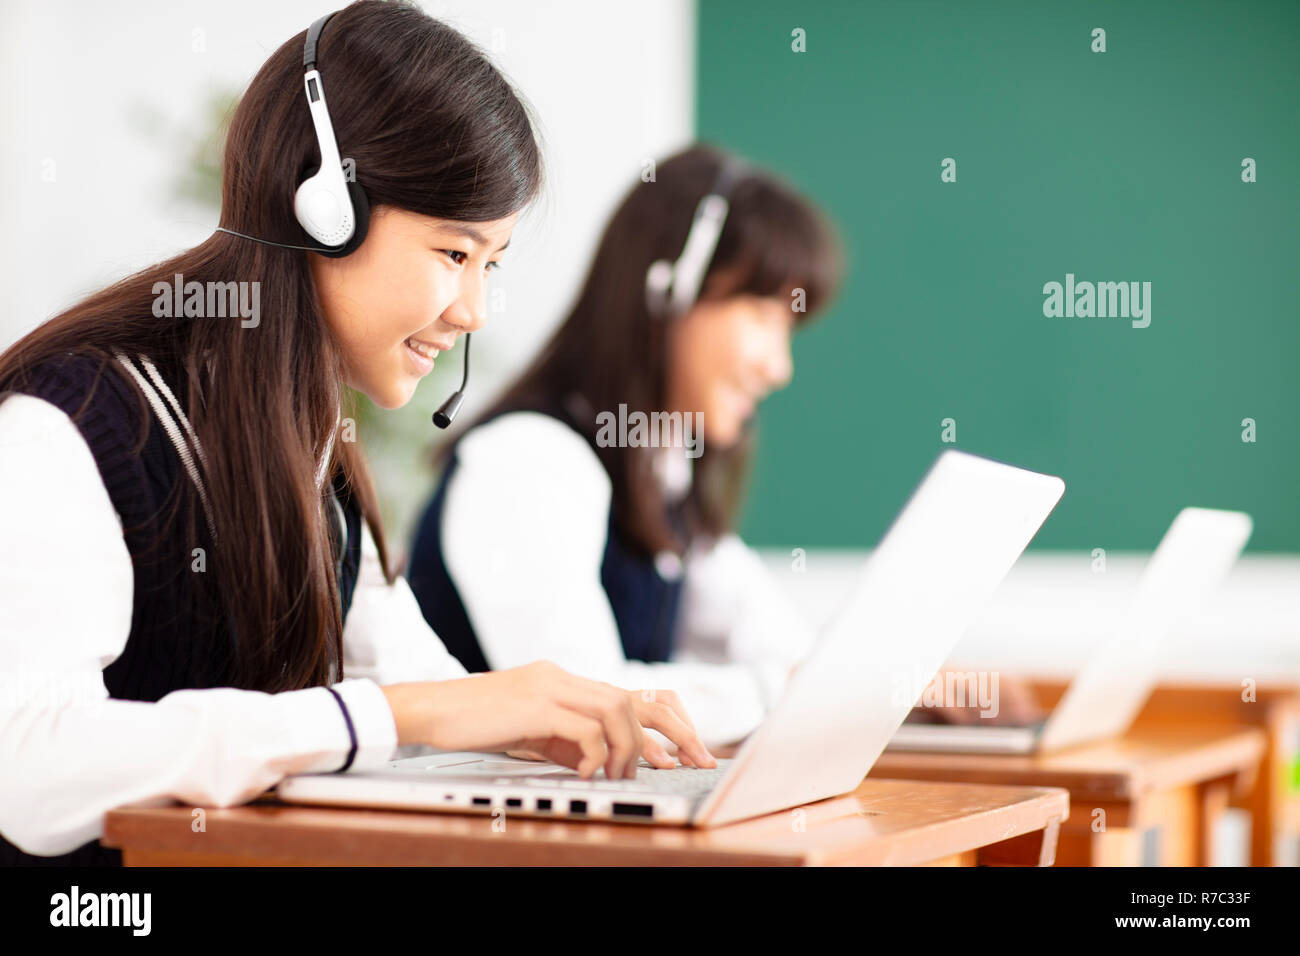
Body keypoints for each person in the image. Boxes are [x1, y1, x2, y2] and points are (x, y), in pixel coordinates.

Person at [0, 1, 712, 867]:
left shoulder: (311, 449)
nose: (474, 311)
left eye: (492, 264)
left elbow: (410, 686)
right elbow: (26, 771)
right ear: (323, 209)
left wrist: (552, 721)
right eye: (454, 254)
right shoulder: (69, 423)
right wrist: (406, 716)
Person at [407, 145, 844, 748]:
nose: (779, 367)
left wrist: (906, 689)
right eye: (765, 316)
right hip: (472, 834)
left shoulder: (658, 469)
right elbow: (596, 704)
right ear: (667, 292)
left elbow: (773, 638)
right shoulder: (530, 459)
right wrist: (784, 692)